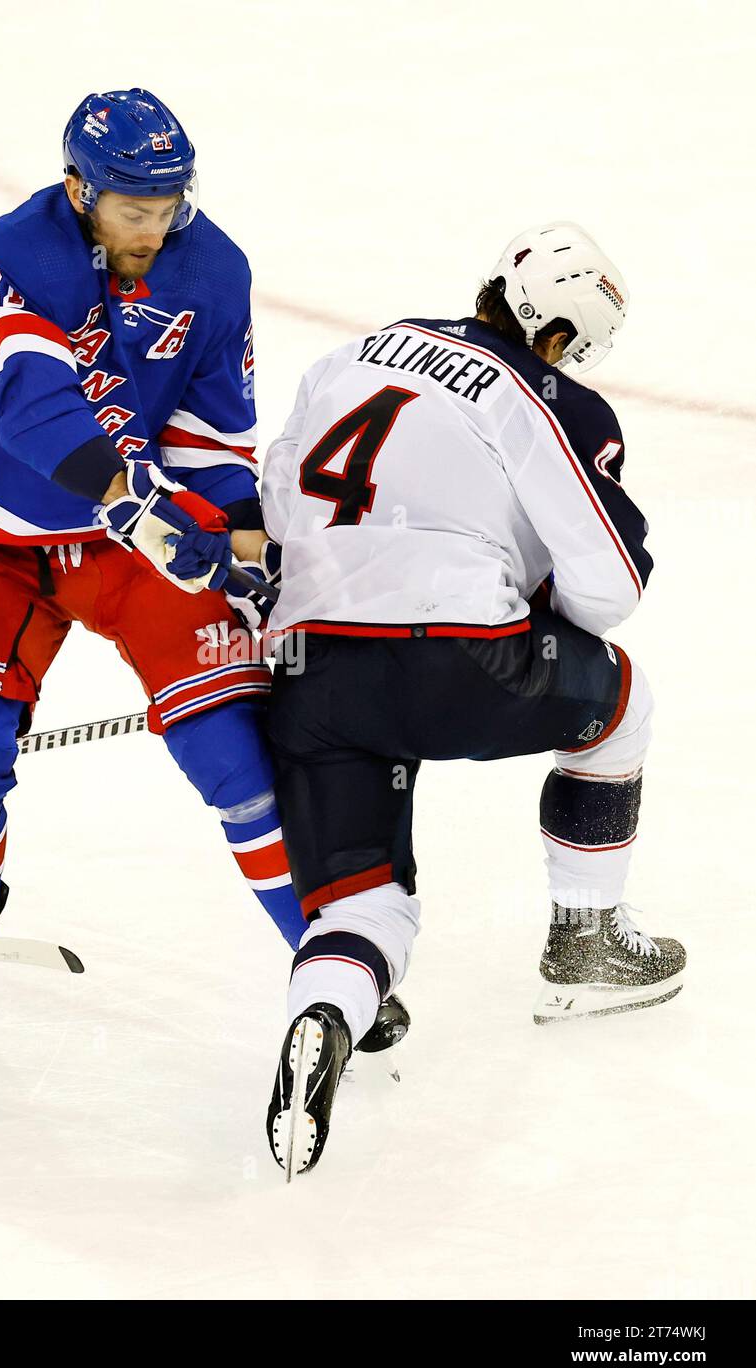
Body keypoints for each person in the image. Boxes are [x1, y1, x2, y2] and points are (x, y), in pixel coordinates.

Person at [0, 88, 413, 1048]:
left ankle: (330, 965)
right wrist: (127, 500)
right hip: (4, 542)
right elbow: (30, 408)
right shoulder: (16, 254)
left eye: (167, 207)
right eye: (133, 210)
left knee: (235, 753)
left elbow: (209, 435)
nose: (154, 229)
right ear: (80, 190)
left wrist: (238, 537)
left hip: (135, 539)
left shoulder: (213, 269)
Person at [260, 223, 686, 1177]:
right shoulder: (552, 399)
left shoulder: (353, 352)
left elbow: (279, 503)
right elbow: (608, 590)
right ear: (559, 339)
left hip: (313, 677)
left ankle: (322, 1013)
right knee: (621, 702)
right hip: (462, 666)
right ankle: (584, 949)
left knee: (358, 909)